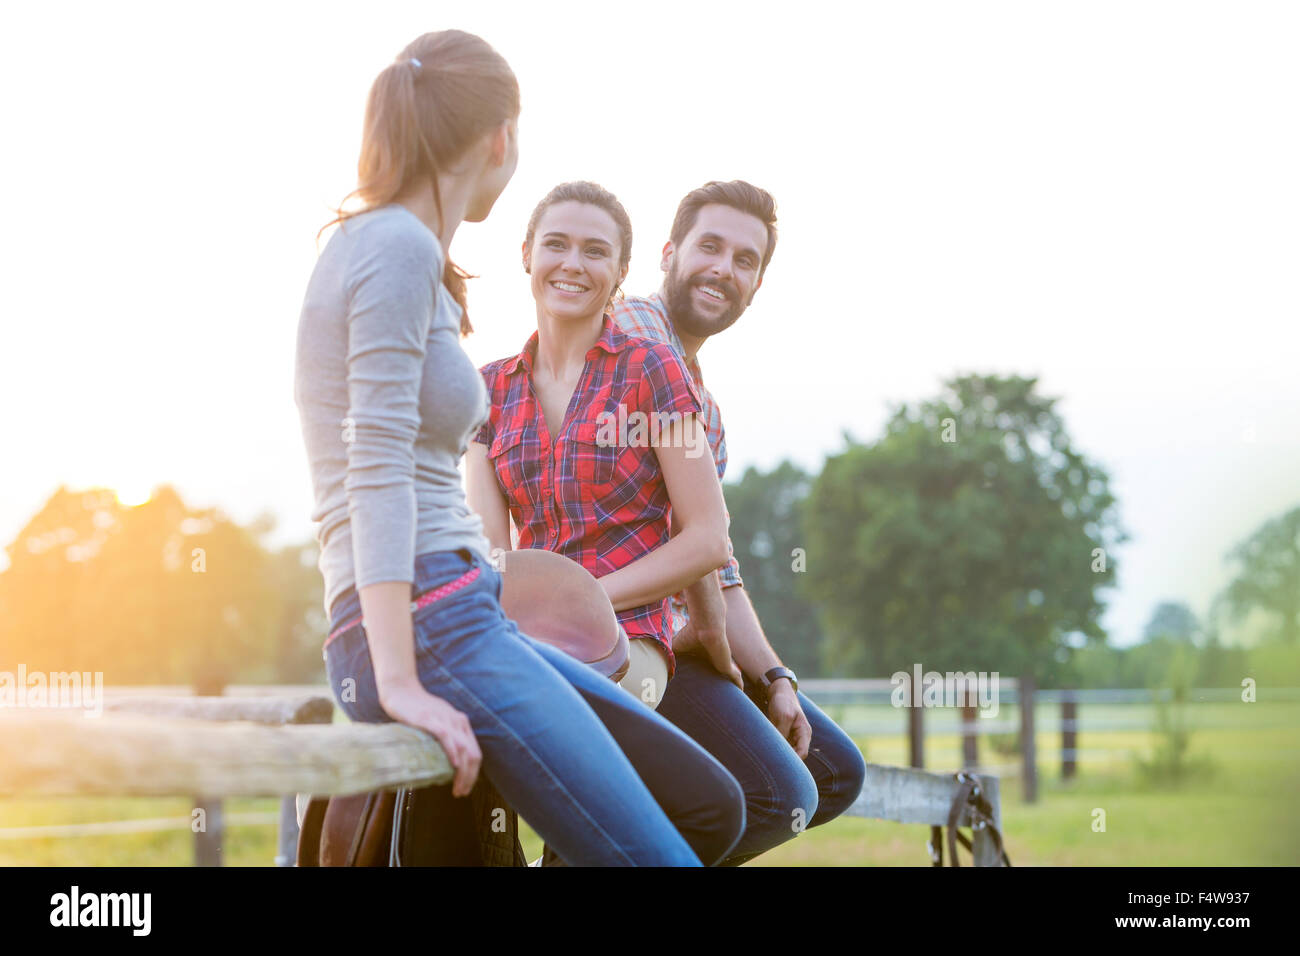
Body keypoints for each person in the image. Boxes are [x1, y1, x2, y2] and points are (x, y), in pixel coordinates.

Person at [293, 31, 744, 867]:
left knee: (710, 803)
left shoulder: (393, 249)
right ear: (500, 138)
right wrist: (394, 679)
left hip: (465, 610)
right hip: (433, 618)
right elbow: (377, 472)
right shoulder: (393, 248)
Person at [610, 180, 868, 864]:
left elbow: (719, 565)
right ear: (669, 252)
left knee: (834, 770)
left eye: (746, 260)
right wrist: (715, 647)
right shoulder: (634, 331)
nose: (725, 268)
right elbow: (690, 543)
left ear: (756, 287)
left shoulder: (708, 410)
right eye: (711, 247)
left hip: (683, 636)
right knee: (777, 794)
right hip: (622, 632)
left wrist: (775, 677)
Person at [467, 181, 735, 711]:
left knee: (560, 714)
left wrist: (579, 602)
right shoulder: (489, 390)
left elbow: (708, 539)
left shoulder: (653, 369)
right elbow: (491, 552)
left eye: (595, 251)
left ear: (621, 271)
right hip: (525, 635)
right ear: (527, 254)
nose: (572, 263)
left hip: (626, 635)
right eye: (556, 244)